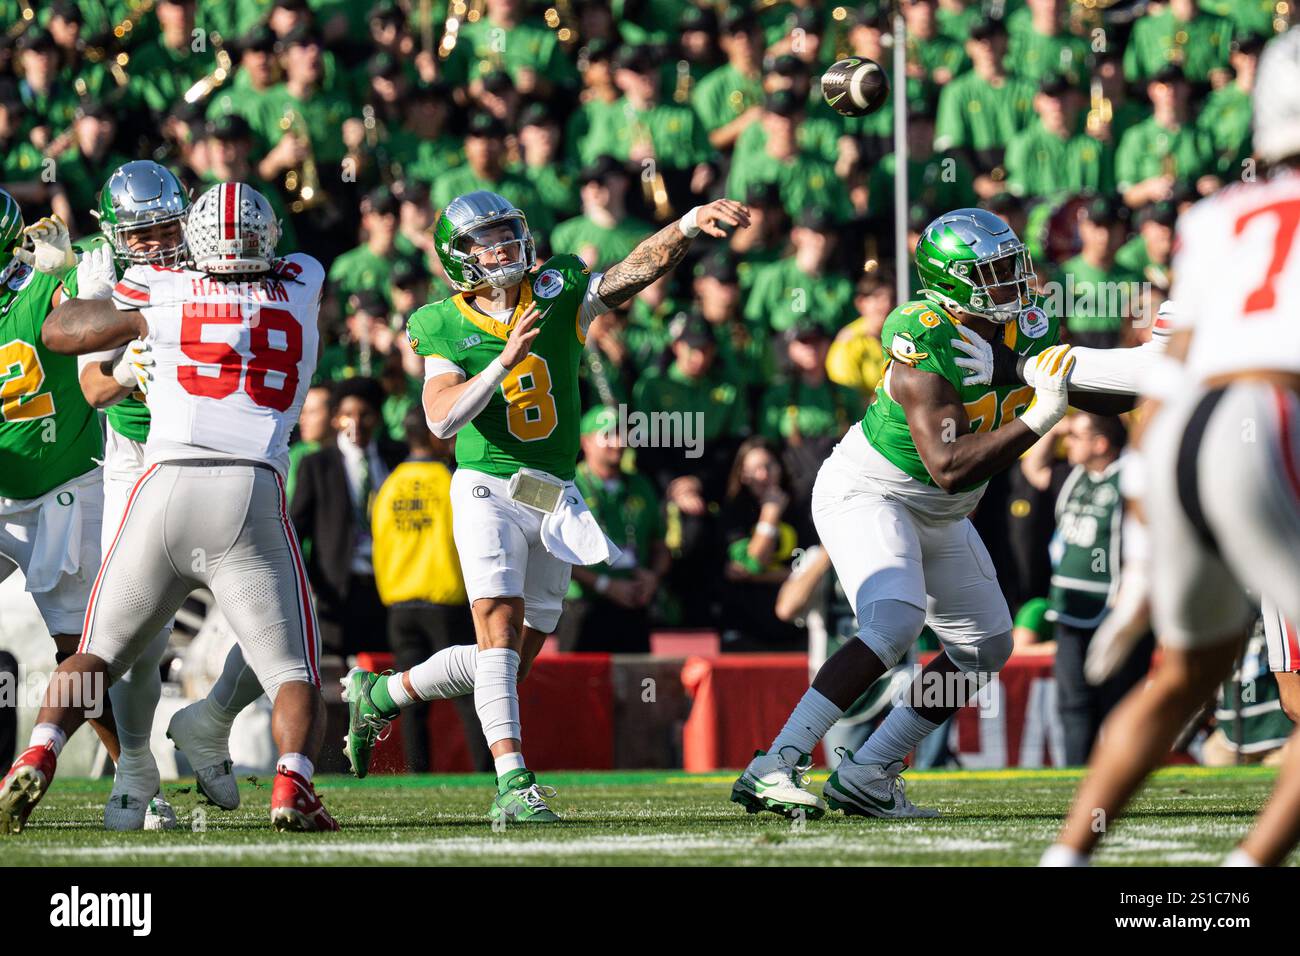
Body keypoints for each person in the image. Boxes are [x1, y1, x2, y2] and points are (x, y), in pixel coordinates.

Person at [340, 189, 750, 821]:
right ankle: (513, 783)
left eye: (510, 233)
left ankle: (383, 694)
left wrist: (689, 223)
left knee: (508, 660)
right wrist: (502, 361)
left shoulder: (556, 290)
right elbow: (442, 419)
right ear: (460, 256)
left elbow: (632, 272)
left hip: (551, 489)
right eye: (488, 239)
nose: (505, 247)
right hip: (486, 485)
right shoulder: (441, 321)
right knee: (497, 626)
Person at [731, 207, 1131, 820]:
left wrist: (1055, 375)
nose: (1012, 283)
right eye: (993, 273)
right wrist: (1040, 414)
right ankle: (775, 763)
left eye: (1011, 267)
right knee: (893, 622)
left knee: (986, 645)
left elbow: (1105, 390)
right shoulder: (922, 335)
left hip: (942, 510)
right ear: (953, 282)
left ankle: (869, 768)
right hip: (874, 490)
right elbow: (950, 463)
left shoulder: (1026, 323)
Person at [1, 182, 337, 834]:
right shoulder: (304, 278)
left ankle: (40, 750)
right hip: (248, 491)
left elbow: (61, 332)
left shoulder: (163, 287)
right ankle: (292, 780)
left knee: (93, 655)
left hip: (161, 484)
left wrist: (93, 296)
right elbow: (280, 262)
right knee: (293, 667)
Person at [1044, 29, 1300, 868]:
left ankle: (1068, 858)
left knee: (1185, 675)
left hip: (1186, 428)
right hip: (1276, 419)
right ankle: (1244, 877)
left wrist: (1147, 544)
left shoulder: (1217, 215)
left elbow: (1171, 371)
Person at [0, 189, 120, 807]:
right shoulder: (47, 283)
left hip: (63, 489)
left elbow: (113, 267)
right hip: (21, 487)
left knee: (81, 647)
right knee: (80, 649)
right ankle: (135, 779)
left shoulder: (43, 286)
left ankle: (131, 773)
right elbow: (114, 259)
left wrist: (73, 266)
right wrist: (77, 263)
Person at [367, 410, 484, 773]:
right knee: (469, 694)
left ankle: (419, 773)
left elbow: (378, 541)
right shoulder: (451, 482)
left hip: (400, 604)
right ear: (438, 437)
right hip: (444, 600)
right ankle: (490, 769)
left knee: (411, 697)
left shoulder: (387, 486)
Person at [1043, 413, 1152, 765]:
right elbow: (1034, 469)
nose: (1068, 442)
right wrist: (1055, 425)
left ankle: (1118, 775)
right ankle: (1075, 776)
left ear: (1101, 443)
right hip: (1069, 605)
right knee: (1073, 703)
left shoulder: (1131, 477)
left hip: (1116, 606)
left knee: (1118, 700)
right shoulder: (1073, 476)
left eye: (1078, 436)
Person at [291, 377, 407, 657]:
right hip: (339, 586)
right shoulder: (317, 465)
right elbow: (297, 527)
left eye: (364, 414)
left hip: (389, 584)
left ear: (377, 418)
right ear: (335, 420)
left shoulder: (397, 458)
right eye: (347, 415)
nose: (355, 423)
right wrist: (301, 581)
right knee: (337, 675)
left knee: (384, 669)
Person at [560, 405, 669, 654]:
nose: (619, 442)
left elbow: (660, 544)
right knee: (579, 687)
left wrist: (654, 577)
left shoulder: (640, 484)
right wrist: (604, 585)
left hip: (633, 601)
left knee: (636, 686)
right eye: (608, 434)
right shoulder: (569, 485)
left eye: (623, 433)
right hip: (583, 605)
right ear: (585, 441)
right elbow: (554, 552)